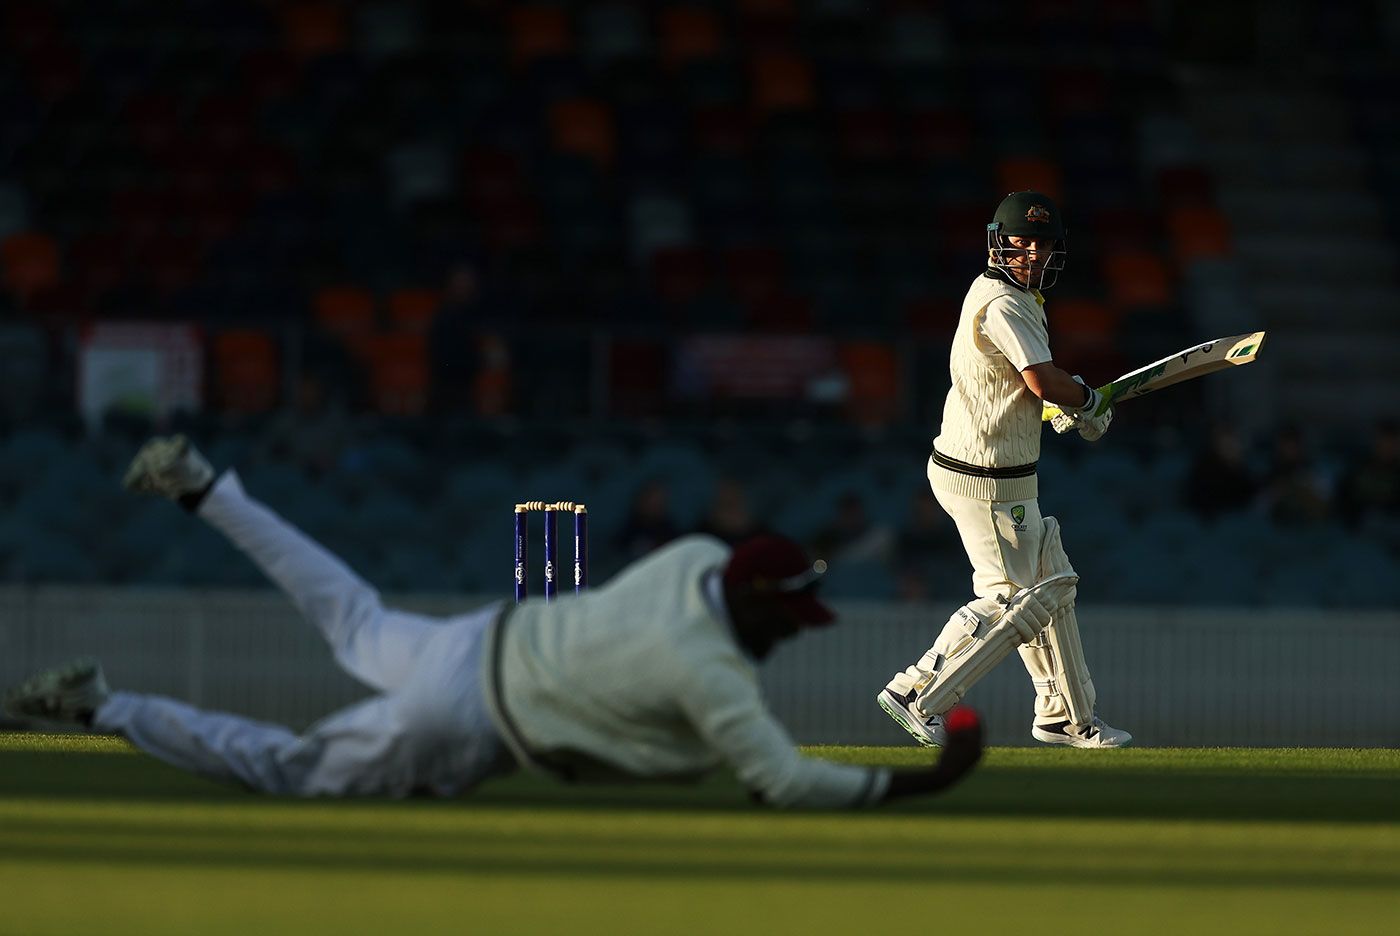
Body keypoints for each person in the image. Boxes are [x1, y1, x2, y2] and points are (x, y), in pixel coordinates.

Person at [4, 435, 983, 808]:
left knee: (348, 613)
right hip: (468, 718)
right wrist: (922, 782)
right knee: (289, 769)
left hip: (478, 637)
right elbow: (780, 780)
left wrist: (780, 563)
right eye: (789, 620)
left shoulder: (690, 561)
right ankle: (102, 706)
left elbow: (732, 567)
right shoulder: (711, 674)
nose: (788, 637)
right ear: (756, 605)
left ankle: (204, 488)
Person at [877, 191, 1132, 750]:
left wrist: (1062, 409)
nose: (1032, 252)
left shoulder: (1018, 298)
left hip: (1004, 472)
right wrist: (1086, 401)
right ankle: (917, 690)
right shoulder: (1003, 302)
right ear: (998, 240)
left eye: (1042, 244)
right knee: (1014, 601)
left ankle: (1064, 713)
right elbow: (1040, 378)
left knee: (1051, 584)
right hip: (985, 476)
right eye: (1022, 240)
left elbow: (1014, 387)